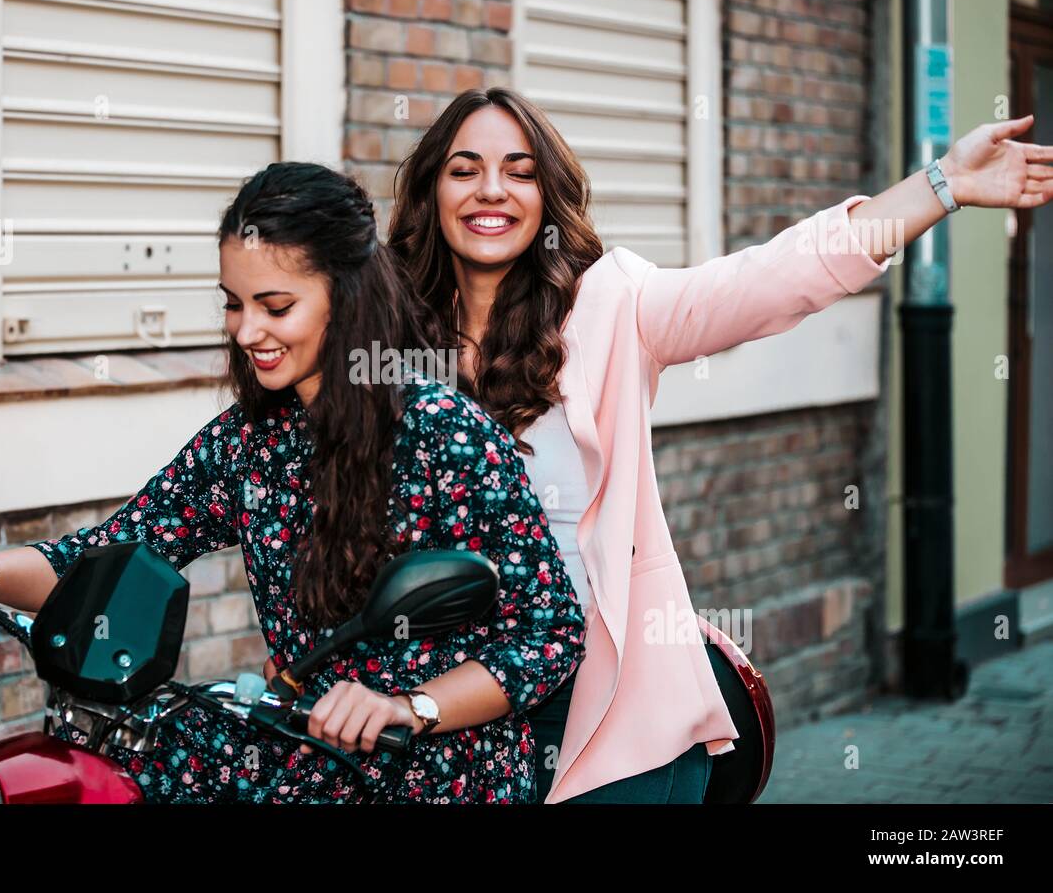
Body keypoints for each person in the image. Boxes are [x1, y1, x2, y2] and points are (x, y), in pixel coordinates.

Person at [383, 88, 1053, 803]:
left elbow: (771, 279)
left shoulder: (612, 304)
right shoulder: (389, 334)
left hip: (607, 710)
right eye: (464, 169)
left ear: (548, 195)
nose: (492, 189)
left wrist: (941, 185)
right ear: (431, 189)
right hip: (446, 704)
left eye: (519, 170)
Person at [0, 161, 584, 803]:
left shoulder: (443, 432)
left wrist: (411, 705)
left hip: (439, 767)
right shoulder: (251, 439)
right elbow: (108, 555)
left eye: (276, 307)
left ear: (346, 299)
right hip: (307, 748)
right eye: (233, 304)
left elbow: (549, 633)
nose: (248, 331)